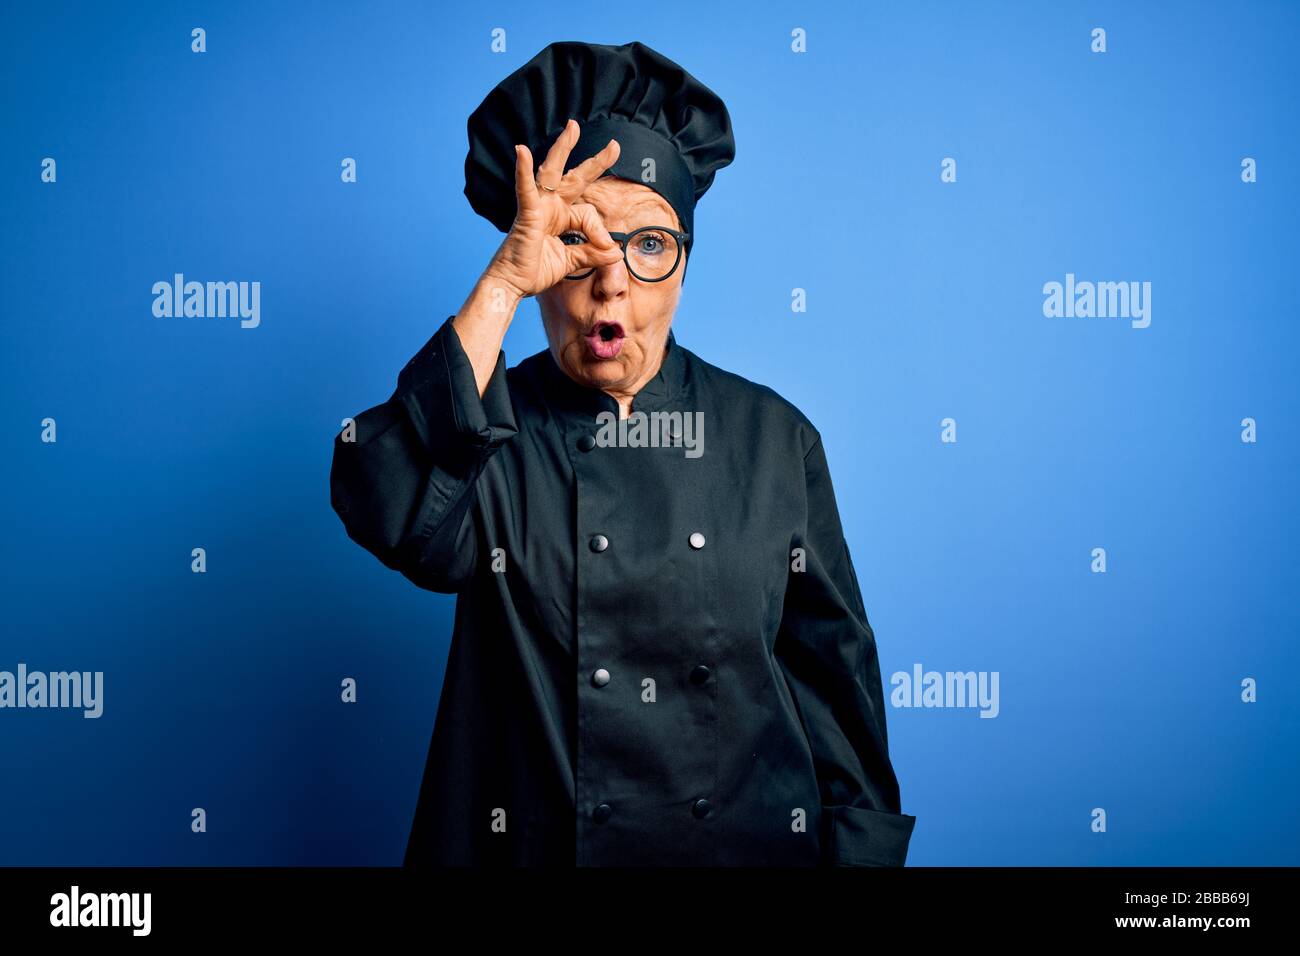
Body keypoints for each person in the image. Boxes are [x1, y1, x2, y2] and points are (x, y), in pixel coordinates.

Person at [329, 39, 916, 866]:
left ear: (683, 266)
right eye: (582, 242)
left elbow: (834, 686)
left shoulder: (775, 440)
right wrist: (500, 282)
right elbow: (385, 503)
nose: (612, 283)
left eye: (649, 245)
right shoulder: (494, 429)